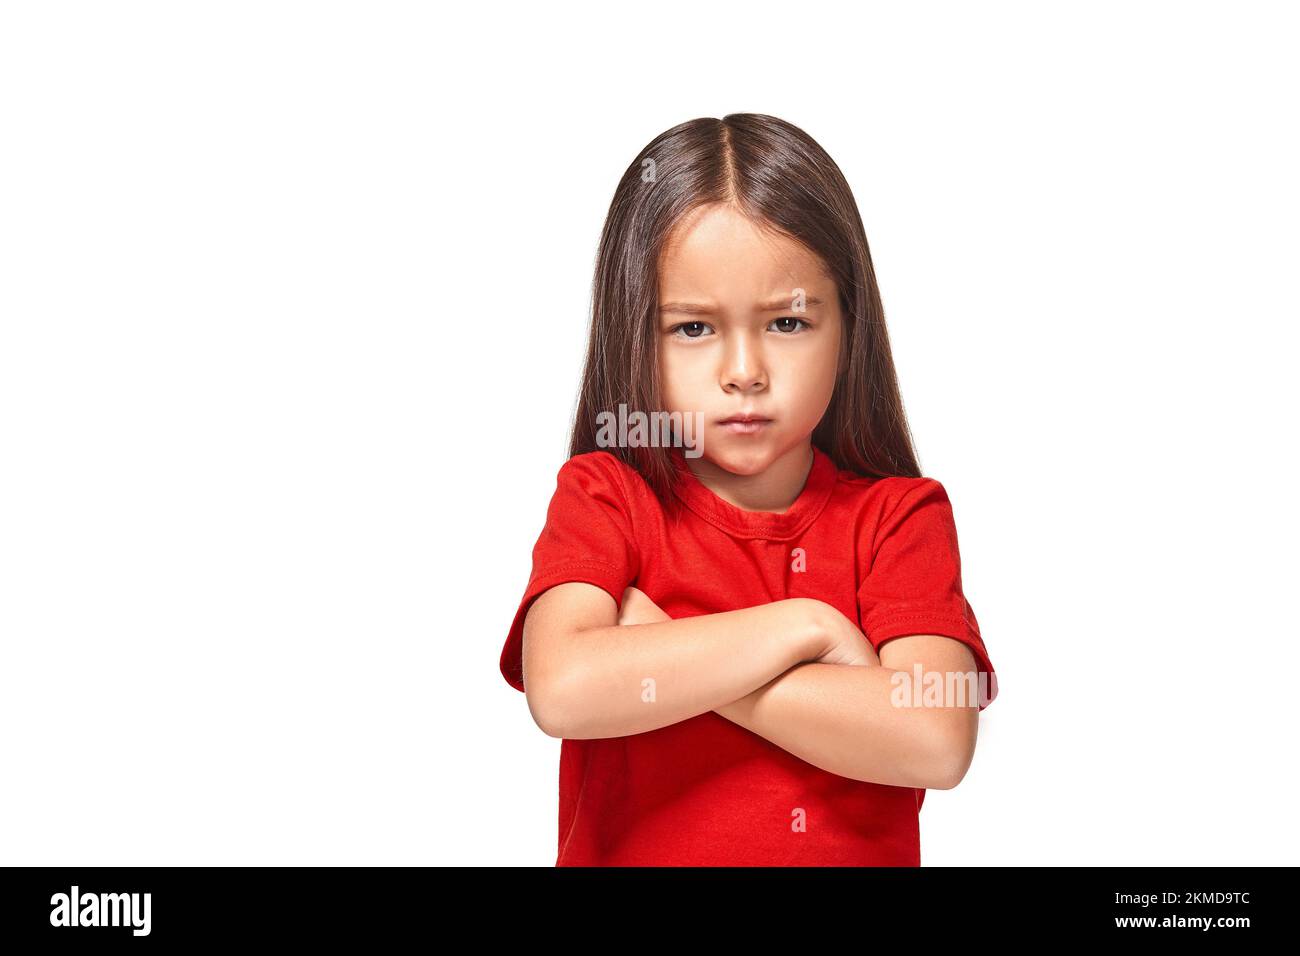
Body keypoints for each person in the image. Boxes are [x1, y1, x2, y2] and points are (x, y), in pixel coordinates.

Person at [499, 113, 998, 866]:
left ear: (849, 326)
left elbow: (934, 737)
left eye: (788, 321)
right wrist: (806, 630)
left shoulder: (899, 518)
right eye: (693, 328)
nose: (744, 369)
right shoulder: (606, 497)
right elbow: (564, 689)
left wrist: (659, 647)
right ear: (632, 331)